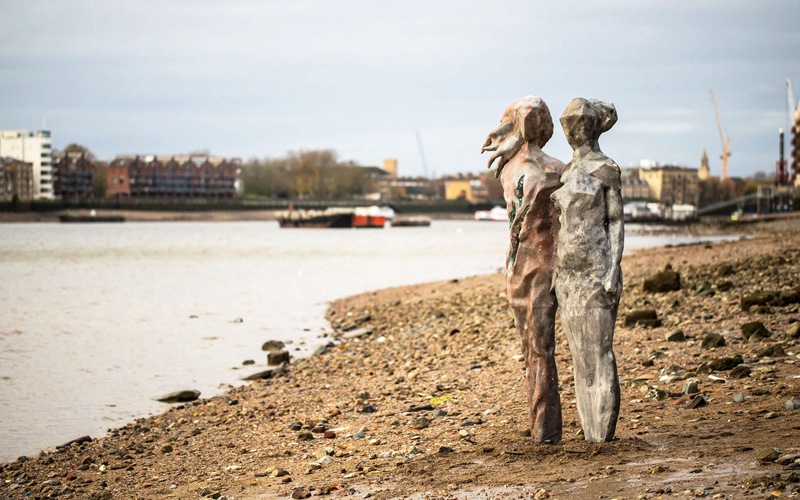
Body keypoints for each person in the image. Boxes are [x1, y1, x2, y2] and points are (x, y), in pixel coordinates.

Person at [481, 96, 565, 443]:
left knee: (534, 349)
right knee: (540, 348)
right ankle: (543, 428)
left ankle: (542, 427)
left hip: (519, 266)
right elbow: (564, 225)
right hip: (540, 264)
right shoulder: (556, 170)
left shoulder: (507, 168)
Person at [551, 98, 623, 442]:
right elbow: (561, 225)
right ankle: (590, 431)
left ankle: (602, 435)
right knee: (579, 358)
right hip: (568, 276)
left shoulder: (605, 168)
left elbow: (615, 222)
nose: (571, 131)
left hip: (596, 271)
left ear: (589, 127)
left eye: (576, 124)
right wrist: (556, 274)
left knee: (599, 353)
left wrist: (613, 269)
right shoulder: (566, 172)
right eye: (568, 124)